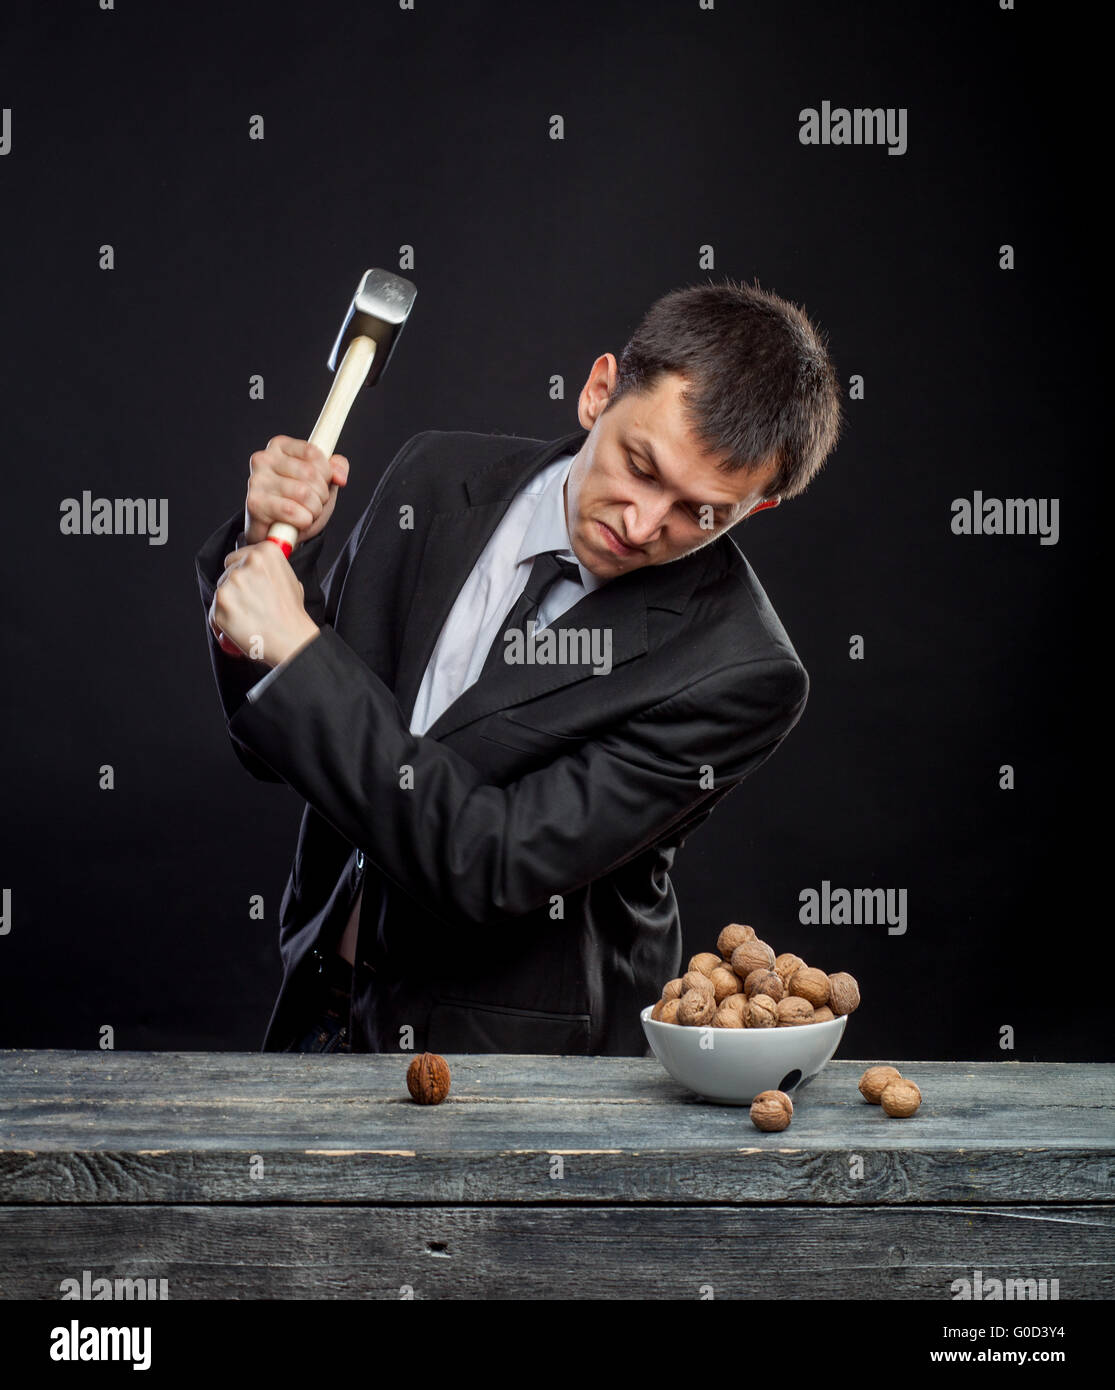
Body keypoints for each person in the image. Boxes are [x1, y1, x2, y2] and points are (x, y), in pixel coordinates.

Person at [194, 278, 842, 1056]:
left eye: (699, 512)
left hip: (511, 1066)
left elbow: (487, 864)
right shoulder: (432, 477)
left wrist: (296, 650)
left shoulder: (741, 672)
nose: (641, 525)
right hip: (322, 1000)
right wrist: (266, 561)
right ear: (599, 391)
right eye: (639, 465)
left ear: (756, 508)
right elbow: (281, 745)